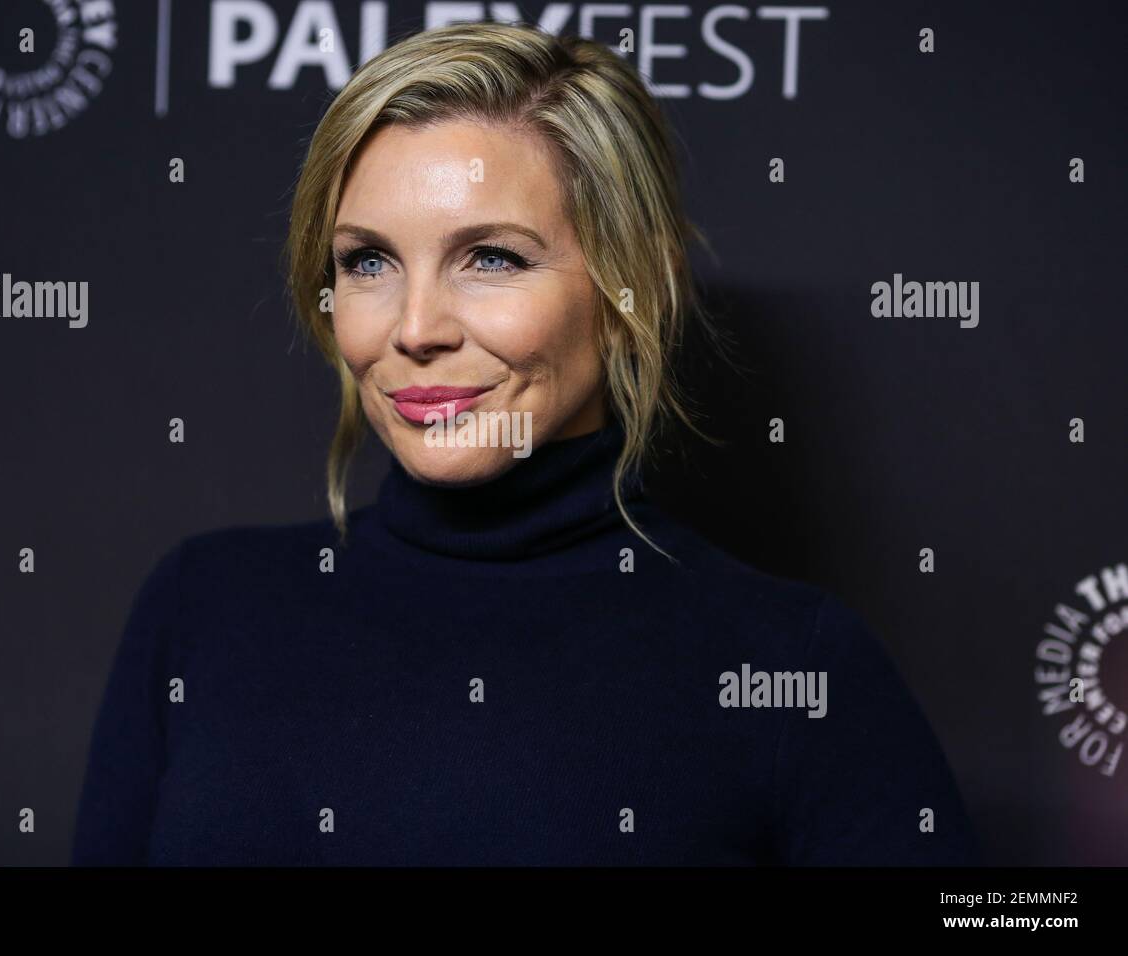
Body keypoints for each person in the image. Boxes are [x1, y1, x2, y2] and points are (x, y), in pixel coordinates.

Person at [70, 21, 979, 866]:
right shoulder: (202, 610)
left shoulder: (793, 664)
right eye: (368, 262)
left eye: (493, 257)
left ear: (632, 289)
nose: (415, 327)